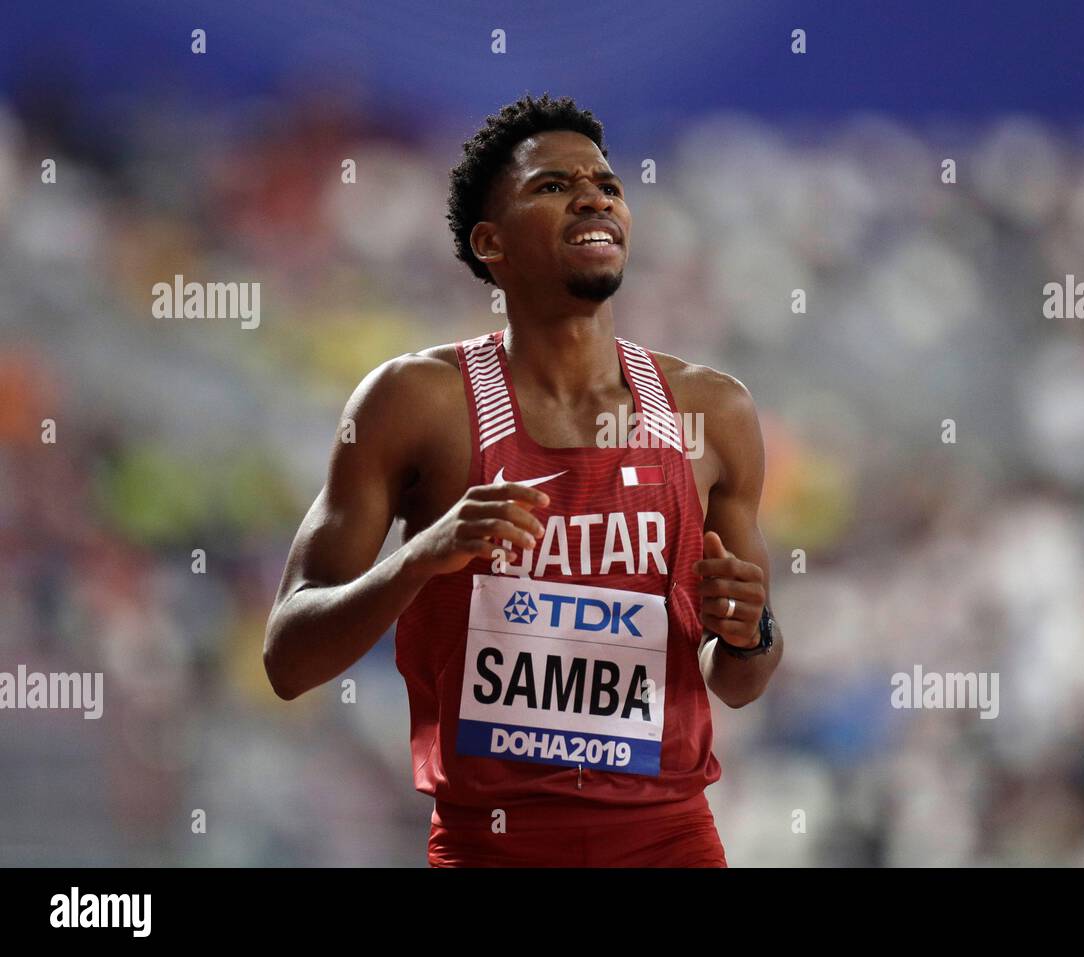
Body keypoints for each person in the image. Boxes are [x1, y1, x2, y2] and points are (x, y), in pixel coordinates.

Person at [264, 93, 783, 866]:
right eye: (552, 185)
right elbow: (287, 659)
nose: (593, 197)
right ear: (490, 242)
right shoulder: (414, 403)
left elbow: (739, 679)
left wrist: (751, 633)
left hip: (668, 842)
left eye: (607, 184)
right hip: (489, 846)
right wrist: (419, 556)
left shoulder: (712, 411)